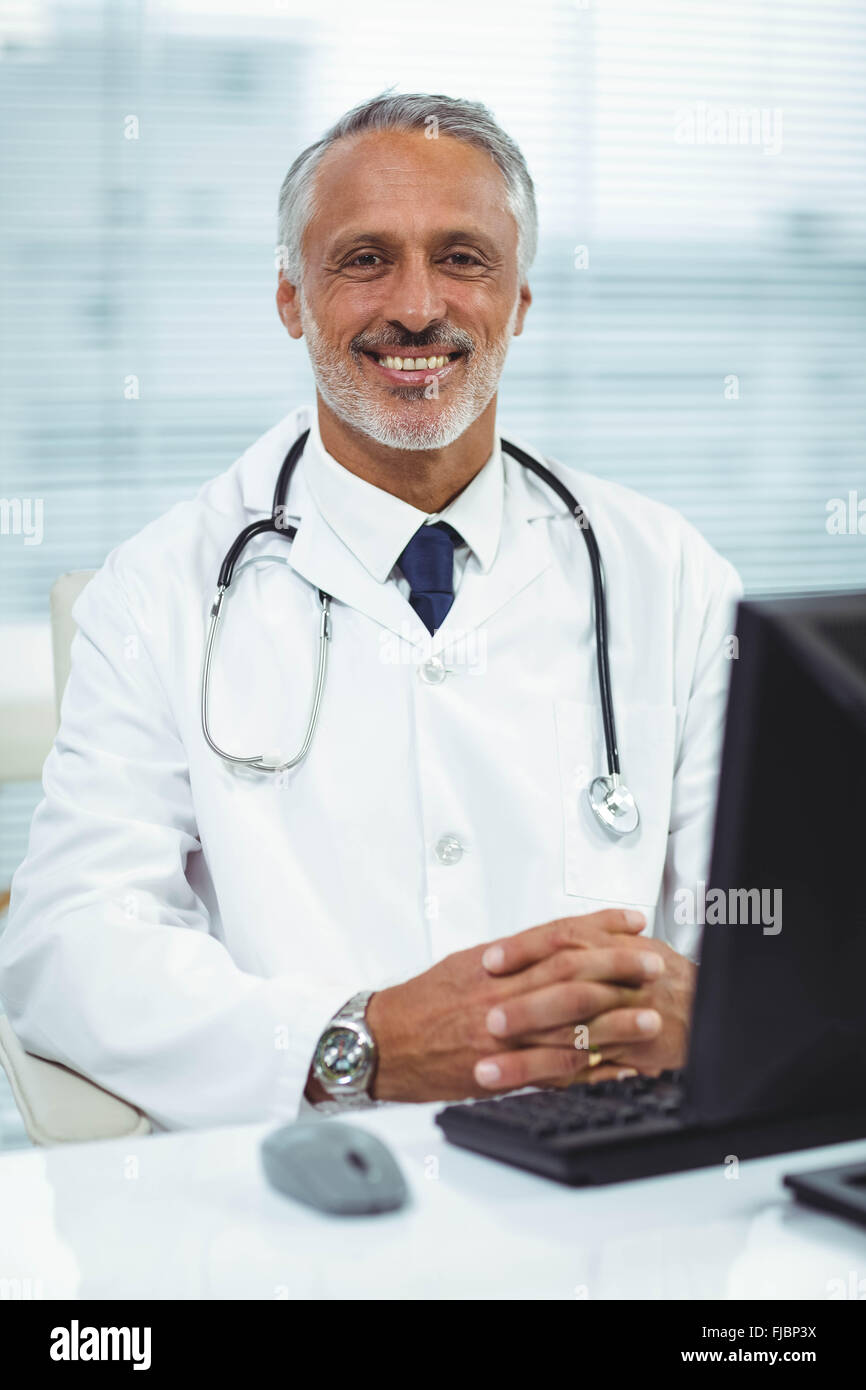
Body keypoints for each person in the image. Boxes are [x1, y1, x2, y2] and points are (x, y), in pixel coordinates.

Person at [0, 93, 741, 1130]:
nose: (415, 306)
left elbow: (769, 924)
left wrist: (711, 1012)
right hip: (295, 1214)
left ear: (520, 298)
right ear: (290, 297)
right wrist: (355, 1041)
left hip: (607, 1196)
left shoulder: (670, 577)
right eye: (362, 259)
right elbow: (69, 942)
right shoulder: (156, 592)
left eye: (462, 258)